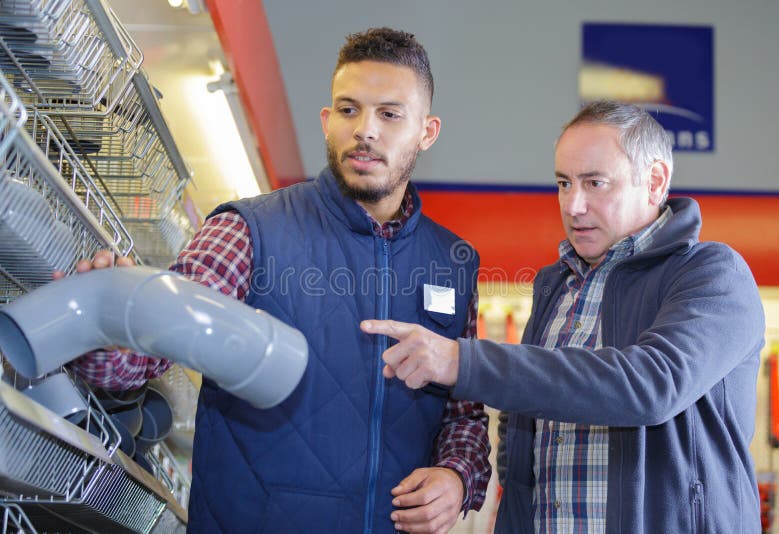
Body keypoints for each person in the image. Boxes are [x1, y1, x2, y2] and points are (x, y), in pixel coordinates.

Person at [67, 28, 490, 533]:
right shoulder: (249, 232)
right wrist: (102, 315)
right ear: (327, 121)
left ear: (427, 131)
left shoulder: (452, 263)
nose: (366, 130)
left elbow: (465, 414)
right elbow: (133, 360)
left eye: (390, 114)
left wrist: (456, 475)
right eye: (349, 109)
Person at [362, 100, 766, 533]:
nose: (573, 205)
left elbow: (651, 385)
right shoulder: (556, 284)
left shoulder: (714, 275)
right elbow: (520, 445)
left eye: (595, 183)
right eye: (563, 183)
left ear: (655, 181)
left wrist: (463, 361)